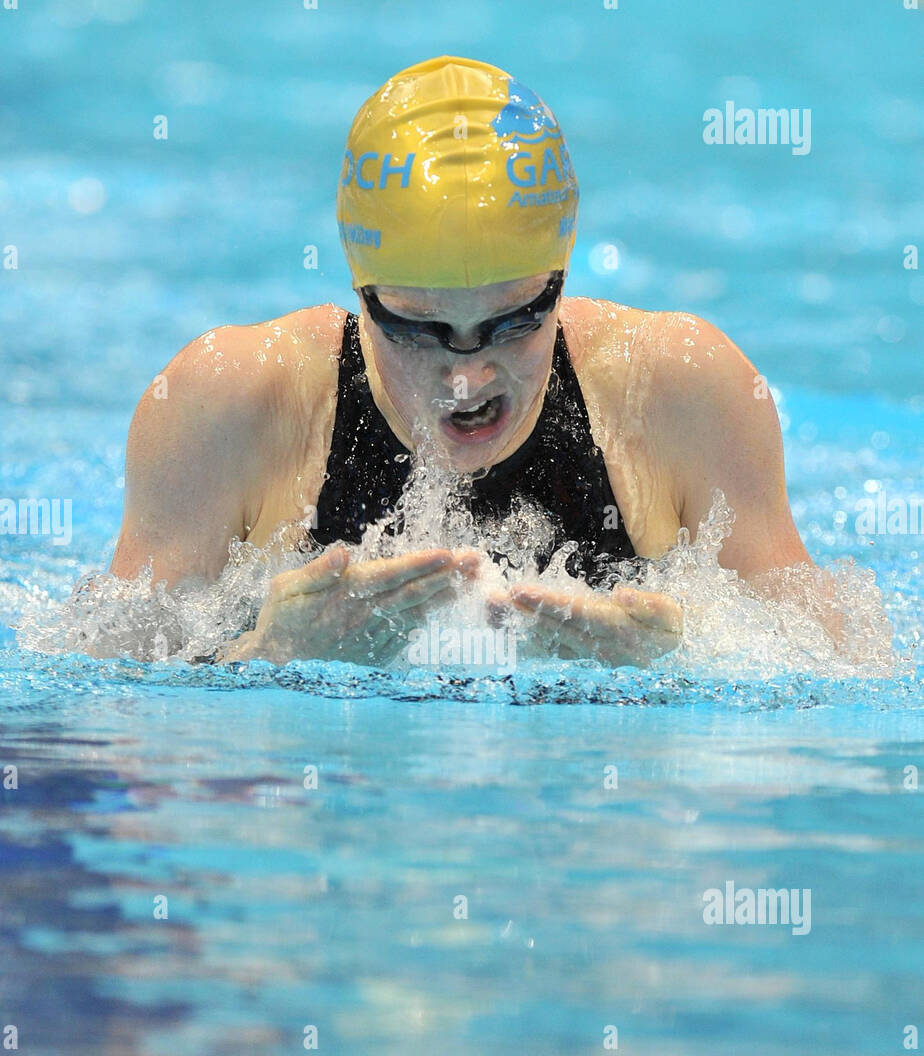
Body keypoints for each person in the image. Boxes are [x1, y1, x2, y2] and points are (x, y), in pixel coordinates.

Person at [110, 55, 827, 669]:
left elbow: (846, 671)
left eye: (513, 322)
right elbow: (100, 702)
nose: (467, 377)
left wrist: (674, 669)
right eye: (418, 328)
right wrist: (269, 657)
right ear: (361, 292)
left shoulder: (680, 391)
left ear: (560, 280)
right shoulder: (225, 404)